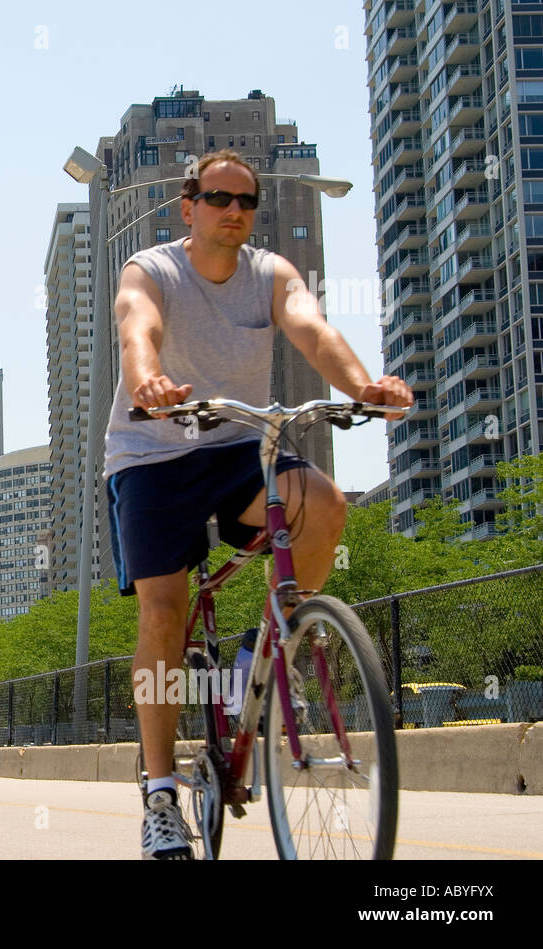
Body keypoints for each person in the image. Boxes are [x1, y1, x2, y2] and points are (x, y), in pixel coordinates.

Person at [106, 149, 412, 859]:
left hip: (240, 443)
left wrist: (363, 386)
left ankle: (258, 658)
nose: (235, 210)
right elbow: (136, 328)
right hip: (153, 453)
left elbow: (310, 327)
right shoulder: (152, 269)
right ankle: (158, 795)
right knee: (163, 609)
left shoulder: (270, 272)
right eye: (219, 198)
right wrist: (148, 379)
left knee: (324, 505)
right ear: (190, 207)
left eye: (246, 200)